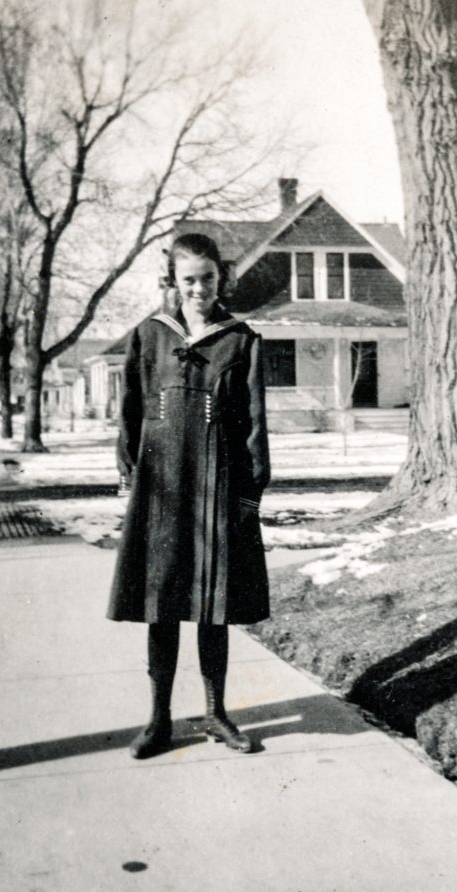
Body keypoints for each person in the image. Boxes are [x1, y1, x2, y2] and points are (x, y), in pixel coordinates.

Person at [107, 232, 270, 759]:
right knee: (161, 605)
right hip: (161, 491)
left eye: (208, 278)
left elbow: (254, 424)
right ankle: (159, 719)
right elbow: (130, 409)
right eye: (189, 280)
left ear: (221, 278)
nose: (199, 289)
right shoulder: (150, 336)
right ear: (173, 282)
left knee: (211, 606)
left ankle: (216, 714)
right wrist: (130, 470)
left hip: (217, 490)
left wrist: (251, 492)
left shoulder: (241, 341)